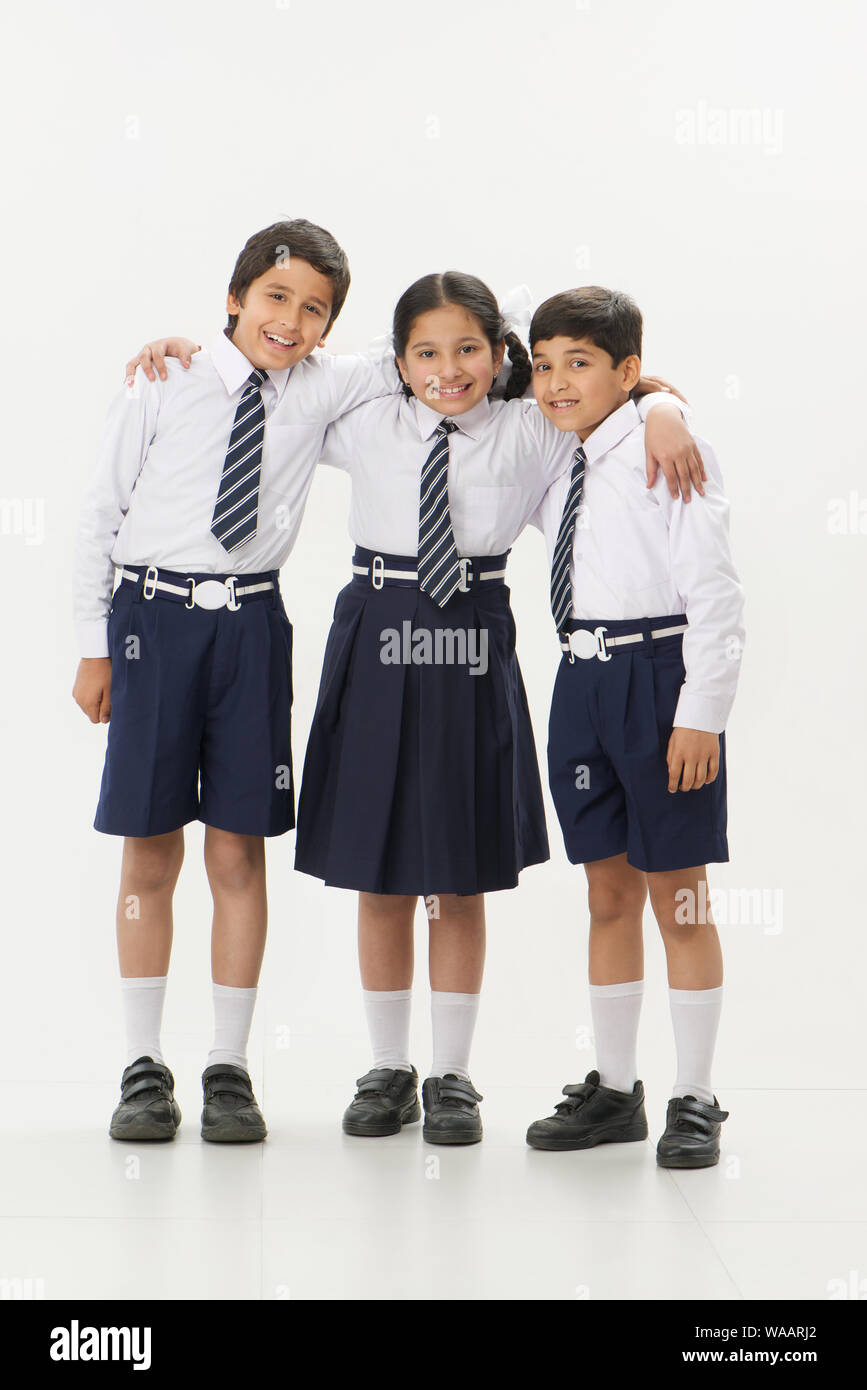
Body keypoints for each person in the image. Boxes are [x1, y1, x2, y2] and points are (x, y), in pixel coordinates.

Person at [291, 271, 702, 1146]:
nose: (448, 370)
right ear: (397, 359)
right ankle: (388, 1067)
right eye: (426, 353)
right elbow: (296, 376)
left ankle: (451, 1076)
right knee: (378, 870)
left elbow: (602, 409)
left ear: (500, 355)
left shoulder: (529, 430)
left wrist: (667, 402)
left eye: (469, 350)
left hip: (472, 638)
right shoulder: (365, 418)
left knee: (457, 869)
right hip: (374, 629)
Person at [72, 219, 397, 1144]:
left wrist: (649, 396)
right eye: (276, 297)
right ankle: (142, 1066)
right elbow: (99, 511)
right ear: (234, 296)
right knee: (148, 846)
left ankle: (228, 1065)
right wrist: (94, 644)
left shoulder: (326, 385)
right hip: (152, 622)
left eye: (314, 310)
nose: (290, 321)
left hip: (252, 626)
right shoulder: (163, 379)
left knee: (238, 848)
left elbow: (448, 340)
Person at [524, 286, 744, 1168]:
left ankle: (695, 1096)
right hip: (577, 678)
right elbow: (479, 369)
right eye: (543, 365)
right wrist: (658, 396)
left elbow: (716, 592)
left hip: (657, 680)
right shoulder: (556, 448)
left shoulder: (670, 450)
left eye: (578, 363)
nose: (553, 383)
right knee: (605, 891)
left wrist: (701, 715)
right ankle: (616, 1090)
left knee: (678, 894)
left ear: (623, 370)